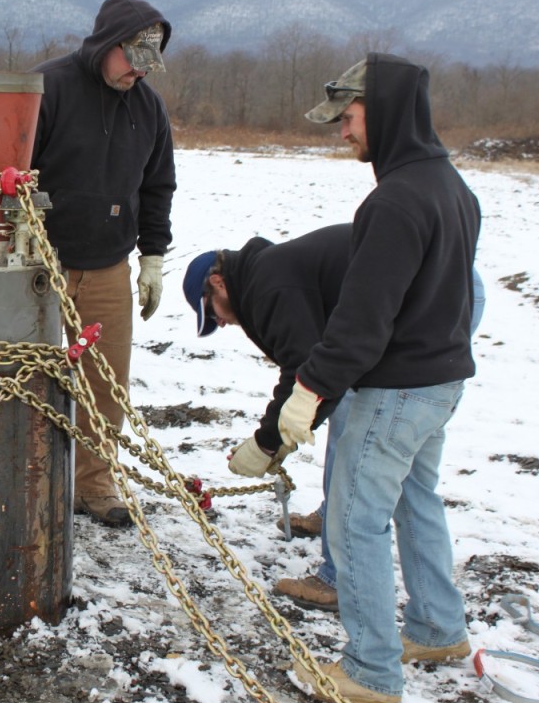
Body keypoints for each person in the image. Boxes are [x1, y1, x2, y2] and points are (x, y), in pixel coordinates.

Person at [279, 54, 481, 703]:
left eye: (352, 117)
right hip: (440, 385)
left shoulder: (394, 202)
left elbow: (363, 323)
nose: (343, 130)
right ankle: (437, 628)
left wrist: (310, 390)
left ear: (386, 111)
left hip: (395, 393)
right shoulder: (451, 186)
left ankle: (370, 670)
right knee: (416, 499)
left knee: (355, 521)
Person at [183, 232, 485, 615]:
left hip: (434, 291)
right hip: (440, 281)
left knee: (359, 451)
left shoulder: (270, 284)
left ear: (218, 282)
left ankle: (338, 578)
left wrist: (267, 443)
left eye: (213, 313)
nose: (221, 324)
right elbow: (316, 368)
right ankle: (434, 616)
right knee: (390, 459)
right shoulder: (265, 276)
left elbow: (305, 371)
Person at [31, 0, 177, 527]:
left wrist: (153, 257)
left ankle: (93, 485)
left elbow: (158, 186)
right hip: (37, 266)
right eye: (133, 57)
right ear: (106, 43)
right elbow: (9, 173)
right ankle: (27, 480)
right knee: (27, 380)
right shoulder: (47, 88)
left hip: (109, 265)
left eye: (149, 62)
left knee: (105, 382)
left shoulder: (149, 107)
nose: (139, 71)